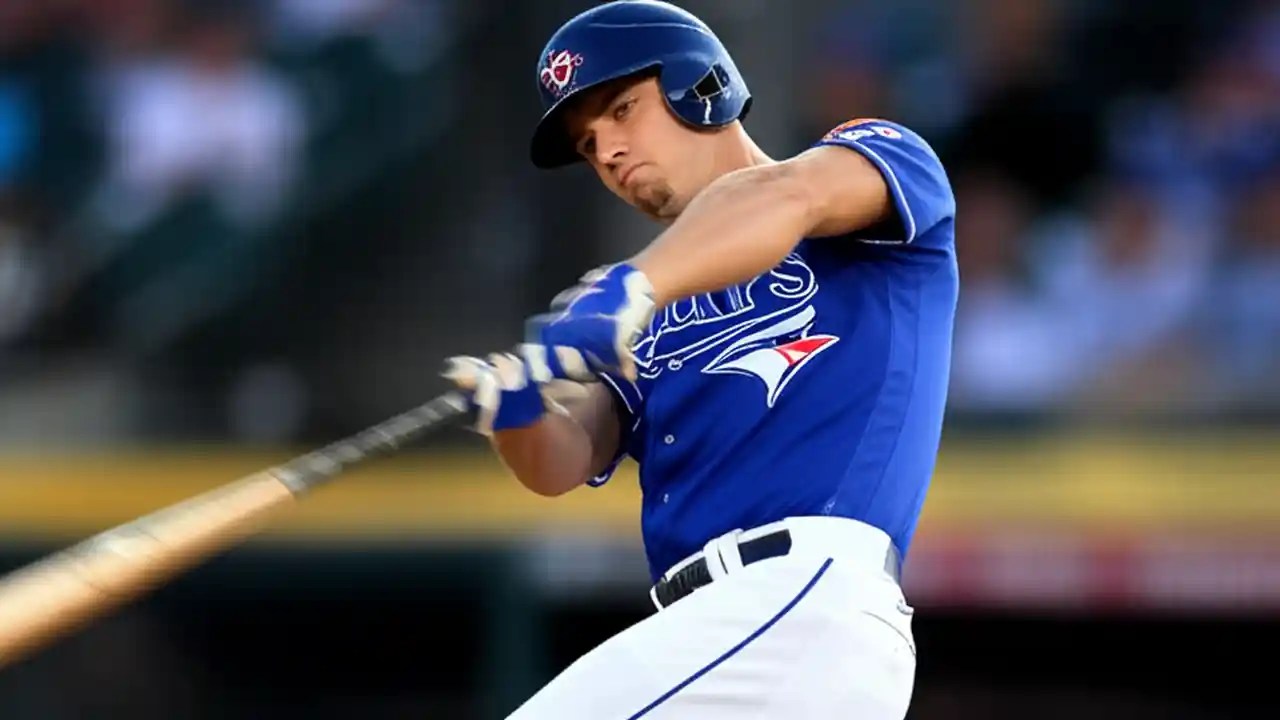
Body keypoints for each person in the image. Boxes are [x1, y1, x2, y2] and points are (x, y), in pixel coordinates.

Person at [443, 2, 957, 717]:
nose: (609, 152)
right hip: (719, 633)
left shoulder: (872, 161)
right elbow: (564, 460)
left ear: (700, 84)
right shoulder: (646, 309)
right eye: (590, 145)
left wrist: (635, 286)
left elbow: (791, 194)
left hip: (797, 598)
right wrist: (518, 408)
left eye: (621, 110)